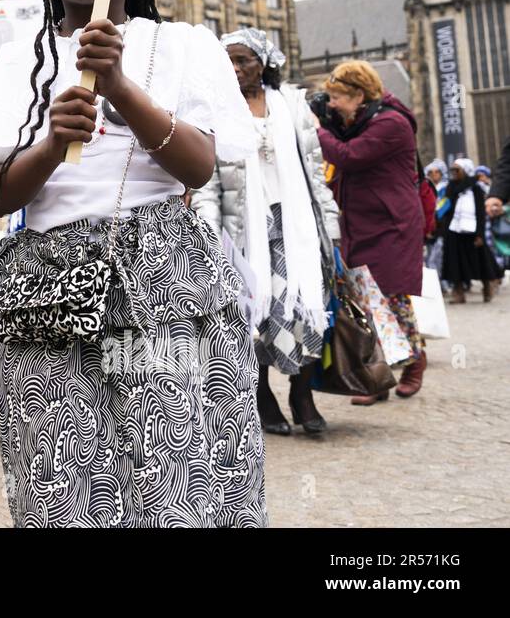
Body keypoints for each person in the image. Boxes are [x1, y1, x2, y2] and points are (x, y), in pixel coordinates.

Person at [0, 0, 266, 527]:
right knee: (60, 470)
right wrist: (45, 146)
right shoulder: (19, 62)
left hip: (162, 280)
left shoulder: (181, 46)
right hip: (49, 292)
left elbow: (199, 165)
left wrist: (121, 86)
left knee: (170, 461)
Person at [194, 29, 338, 437]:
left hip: (298, 228)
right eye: (229, 61)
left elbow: (314, 171)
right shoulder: (213, 110)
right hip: (244, 230)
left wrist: (332, 227)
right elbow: (206, 182)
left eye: (244, 60)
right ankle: (261, 396)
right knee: (253, 314)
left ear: (265, 63)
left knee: (305, 308)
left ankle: (301, 392)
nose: (236, 69)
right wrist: (211, 235)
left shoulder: (290, 104)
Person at [314, 61, 426, 402]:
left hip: (392, 223)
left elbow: (349, 155)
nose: (332, 104)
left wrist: (316, 128)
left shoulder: (391, 123)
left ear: (359, 95)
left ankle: (415, 362)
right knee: (368, 299)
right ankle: (379, 375)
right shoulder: (365, 118)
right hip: (363, 221)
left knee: (391, 295)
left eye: (337, 97)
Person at [440, 159, 502, 303]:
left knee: (481, 261)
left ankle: (487, 288)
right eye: (453, 170)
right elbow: (449, 203)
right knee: (455, 263)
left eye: (457, 170)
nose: (454, 173)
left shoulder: (476, 189)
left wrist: (480, 234)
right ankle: (459, 293)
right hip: (454, 230)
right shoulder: (451, 186)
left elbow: (481, 213)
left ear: (465, 170)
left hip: (473, 231)